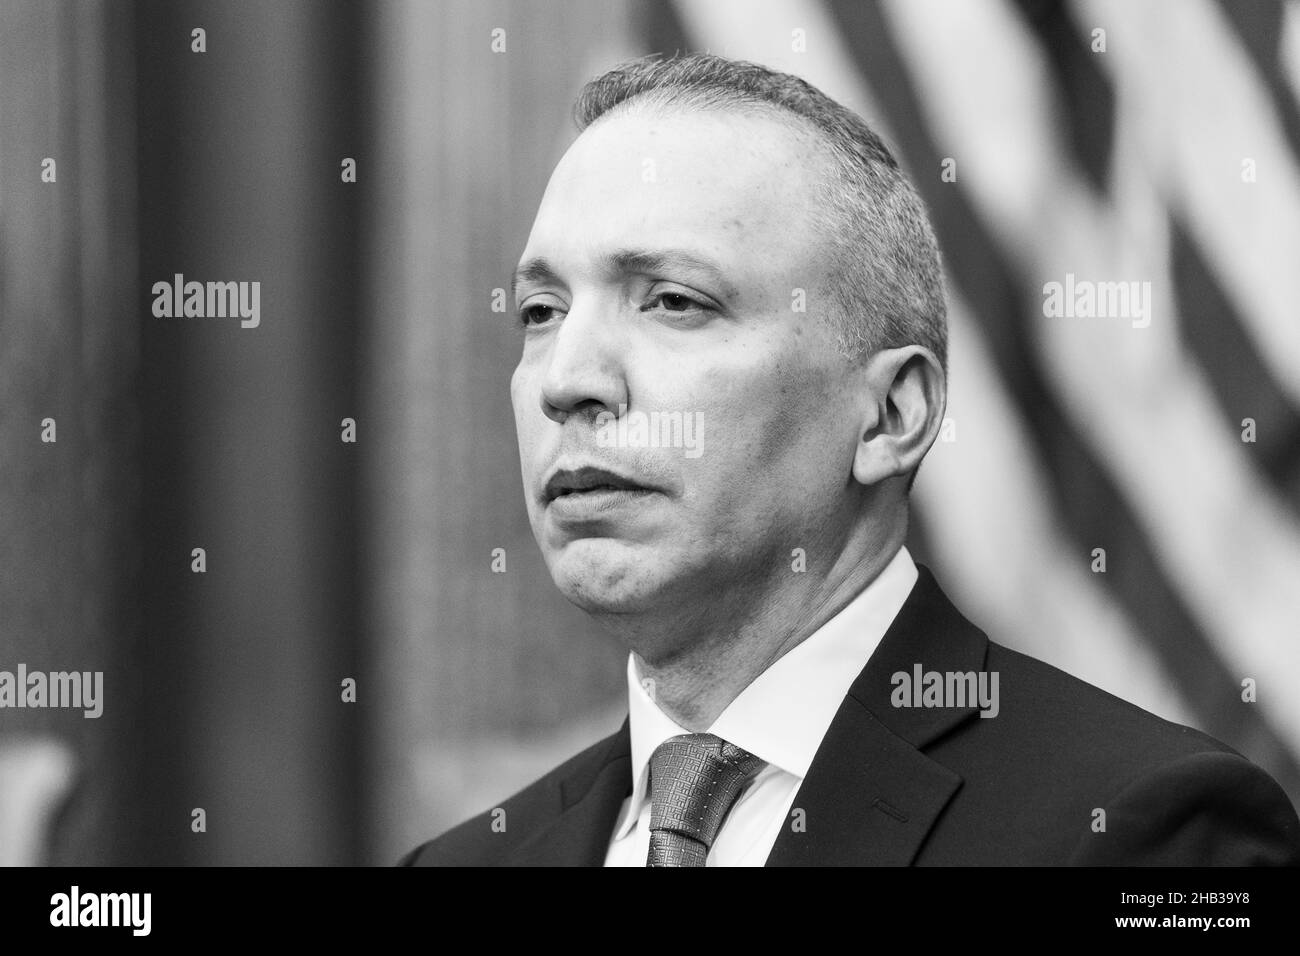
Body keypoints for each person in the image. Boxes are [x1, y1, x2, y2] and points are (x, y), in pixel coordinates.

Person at [401, 53, 1300, 866]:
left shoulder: (1152, 835)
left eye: (673, 301)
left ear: (891, 415)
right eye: (541, 312)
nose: (567, 380)